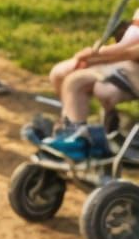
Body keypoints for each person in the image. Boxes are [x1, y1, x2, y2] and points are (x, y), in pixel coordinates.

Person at [37, 21, 139, 161]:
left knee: (86, 84)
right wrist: (100, 54)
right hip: (130, 63)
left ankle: (80, 142)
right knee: (69, 78)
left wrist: (101, 54)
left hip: (132, 68)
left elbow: (132, 51)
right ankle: (74, 137)